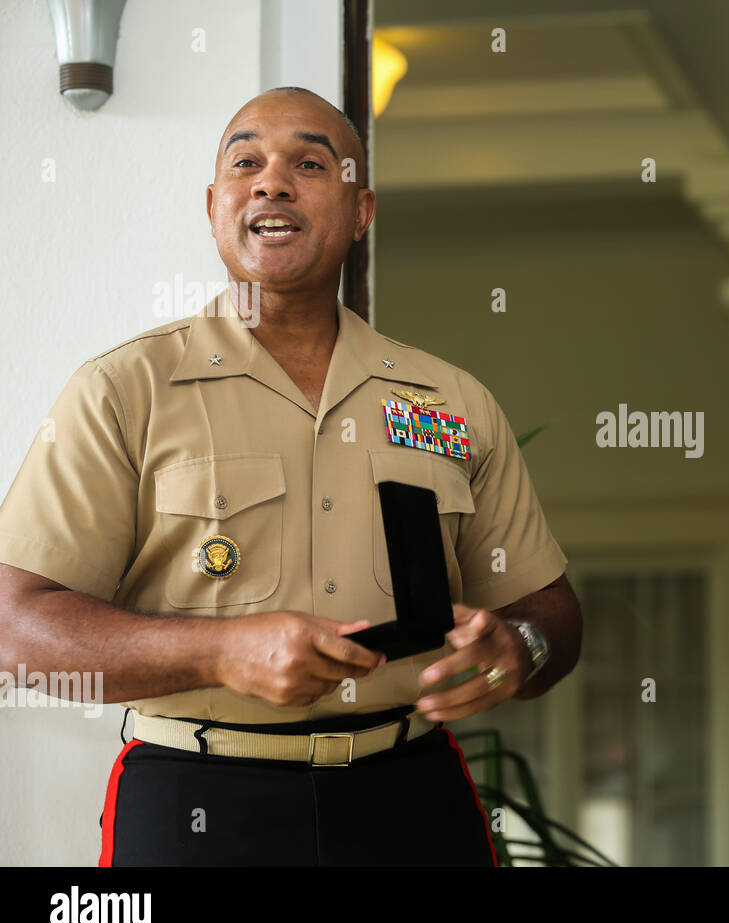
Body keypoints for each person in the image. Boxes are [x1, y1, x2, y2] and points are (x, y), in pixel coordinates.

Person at [0, 87, 581, 866]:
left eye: (309, 162)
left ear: (361, 208)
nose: (272, 182)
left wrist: (524, 645)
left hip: (413, 800)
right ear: (215, 206)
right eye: (246, 163)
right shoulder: (123, 389)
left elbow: (552, 612)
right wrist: (216, 653)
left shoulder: (452, 401)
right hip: (197, 803)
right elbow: (14, 627)